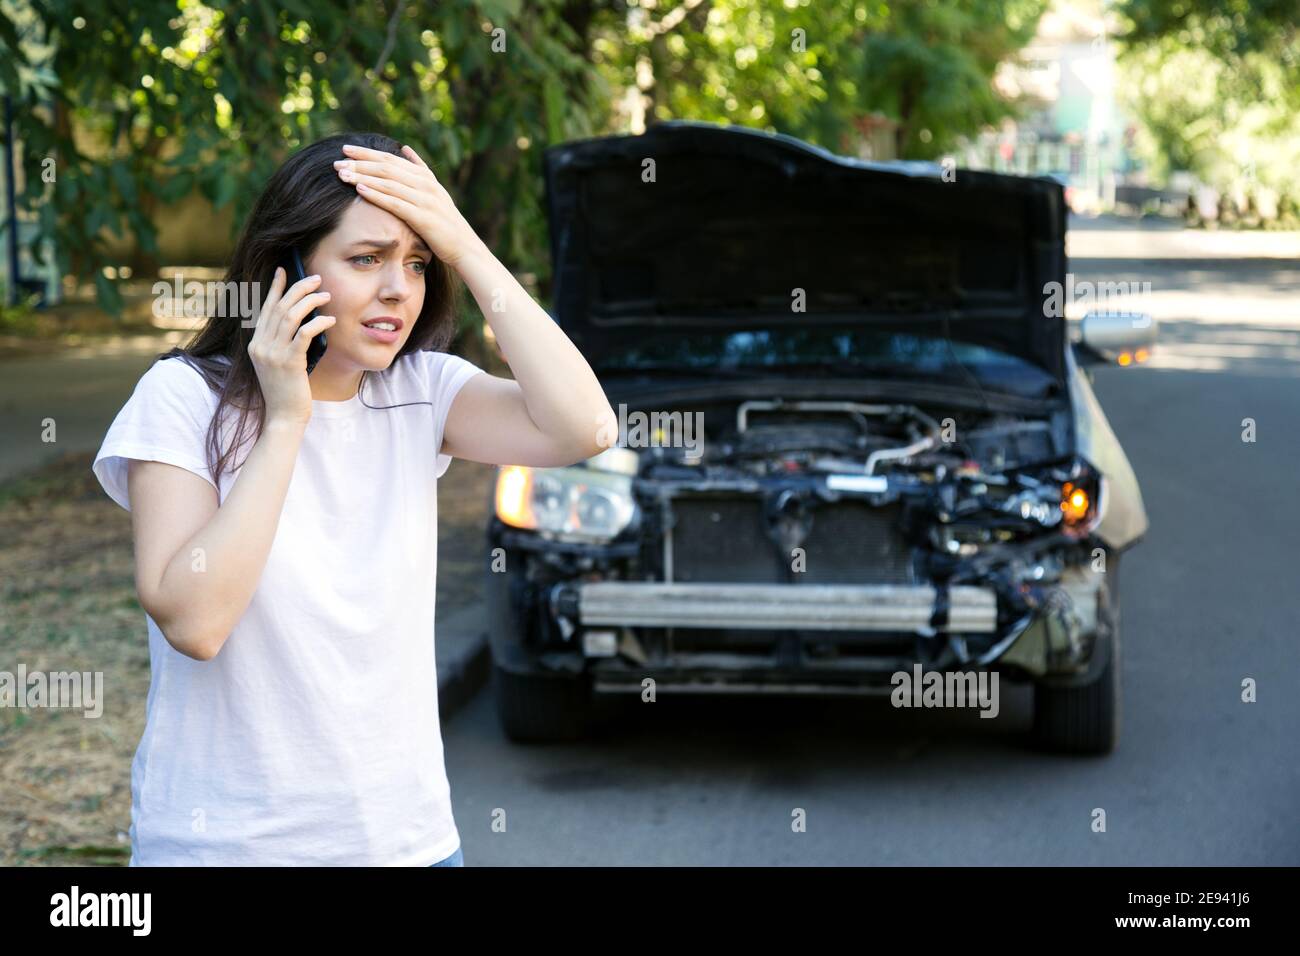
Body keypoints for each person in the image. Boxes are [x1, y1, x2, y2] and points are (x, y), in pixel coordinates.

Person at [91, 131, 616, 865]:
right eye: (366, 259)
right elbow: (196, 622)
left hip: (407, 846)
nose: (399, 289)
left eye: (418, 263)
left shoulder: (421, 390)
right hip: (230, 849)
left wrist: (463, 243)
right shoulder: (182, 399)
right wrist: (285, 421)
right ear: (289, 271)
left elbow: (586, 427)